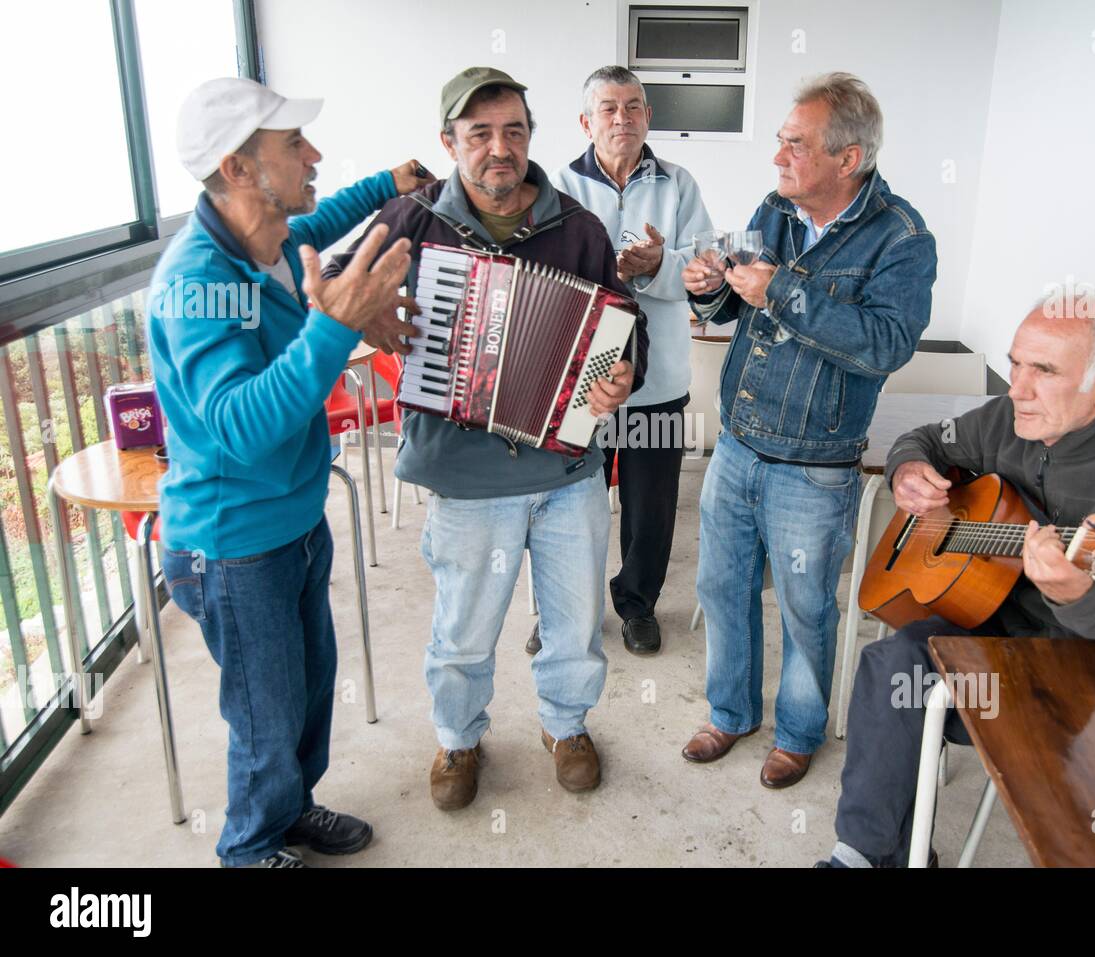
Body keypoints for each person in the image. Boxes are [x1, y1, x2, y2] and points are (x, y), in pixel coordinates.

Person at [323, 67, 648, 812]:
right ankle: (458, 736)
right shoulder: (412, 221)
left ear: (531, 138)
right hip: (466, 476)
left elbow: (628, 328)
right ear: (450, 143)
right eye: (479, 135)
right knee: (463, 632)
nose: (499, 149)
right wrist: (372, 322)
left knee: (573, 624)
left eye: (513, 132)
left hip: (567, 467)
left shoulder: (579, 228)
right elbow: (336, 283)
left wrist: (622, 375)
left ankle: (566, 726)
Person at [820, 291, 1095, 867]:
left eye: (1045, 371)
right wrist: (909, 469)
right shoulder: (1010, 419)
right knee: (890, 664)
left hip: (1088, 673)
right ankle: (863, 856)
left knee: (908, 699)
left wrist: (1076, 594)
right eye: (1014, 363)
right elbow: (928, 438)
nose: (1016, 388)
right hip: (993, 626)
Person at [148, 76, 432, 867]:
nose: (313, 155)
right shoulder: (198, 284)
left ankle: (291, 808)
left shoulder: (263, 240)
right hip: (234, 545)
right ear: (238, 168)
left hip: (294, 522)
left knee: (310, 690)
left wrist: (389, 183)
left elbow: (323, 215)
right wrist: (335, 327)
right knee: (265, 715)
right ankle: (248, 847)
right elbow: (240, 428)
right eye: (292, 146)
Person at [680, 73, 937, 788]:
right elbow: (740, 301)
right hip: (738, 443)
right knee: (722, 585)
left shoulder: (903, 238)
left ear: (847, 158)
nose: (778, 157)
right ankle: (730, 713)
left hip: (815, 462)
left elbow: (885, 344)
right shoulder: (776, 208)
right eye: (780, 140)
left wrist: (782, 291)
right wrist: (715, 287)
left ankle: (797, 731)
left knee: (804, 605)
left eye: (796, 144)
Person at [551, 65, 714, 657]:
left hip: (658, 380)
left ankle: (637, 603)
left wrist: (657, 267)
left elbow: (704, 274)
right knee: (570, 505)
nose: (623, 118)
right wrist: (604, 273)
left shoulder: (678, 182)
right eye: (609, 108)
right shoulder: (556, 186)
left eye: (634, 107)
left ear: (649, 115)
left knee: (651, 506)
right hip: (580, 384)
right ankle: (566, 608)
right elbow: (542, 272)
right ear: (586, 121)